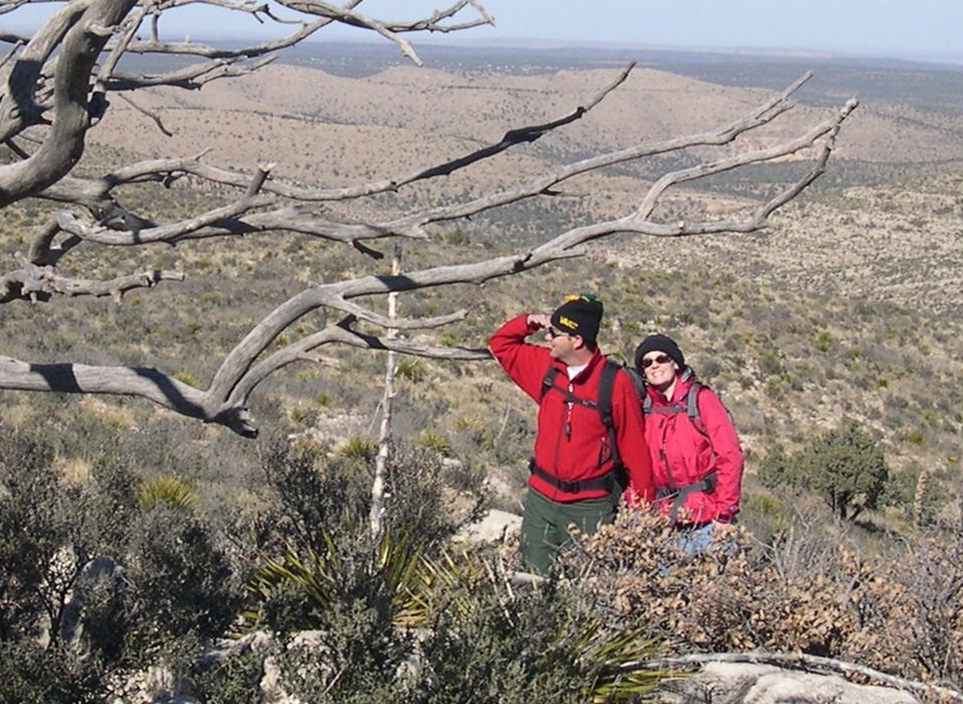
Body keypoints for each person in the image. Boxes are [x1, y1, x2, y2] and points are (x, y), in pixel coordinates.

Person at [490, 294, 654, 574]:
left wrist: (643, 514)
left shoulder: (614, 384)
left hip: (589, 509)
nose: (547, 338)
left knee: (587, 590)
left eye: (555, 333)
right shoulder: (547, 369)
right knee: (531, 581)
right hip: (540, 501)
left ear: (577, 340)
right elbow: (500, 345)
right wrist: (528, 322)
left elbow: (634, 450)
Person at [634, 333, 744, 554]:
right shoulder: (645, 407)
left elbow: (730, 456)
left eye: (661, 359)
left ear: (675, 363)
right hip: (663, 520)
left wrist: (725, 512)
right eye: (647, 362)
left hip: (708, 519)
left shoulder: (701, 399)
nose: (654, 366)